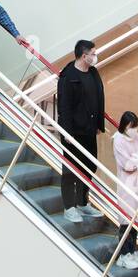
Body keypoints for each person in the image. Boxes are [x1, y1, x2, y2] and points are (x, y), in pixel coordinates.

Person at [57, 40, 105, 224]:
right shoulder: (68, 76)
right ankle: (69, 207)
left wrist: (99, 124)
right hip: (73, 133)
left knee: (89, 167)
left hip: (90, 130)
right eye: (93, 53)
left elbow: (99, 97)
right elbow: (64, 107)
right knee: (70, 169)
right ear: (84, 56)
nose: (95, 56)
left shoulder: (93, 73)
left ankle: (82, 202)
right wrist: (66, 133)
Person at [111, 111, 138, 269]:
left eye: (135, 127)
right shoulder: (118, 140)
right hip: (127, 185)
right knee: (126, 219)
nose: (134, 130)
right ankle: (124, 254)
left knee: (135, 220)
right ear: (124, 126)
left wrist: (137, 157)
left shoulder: (137, 138)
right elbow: (126, 164)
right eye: (131, 127)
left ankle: (133, 250)